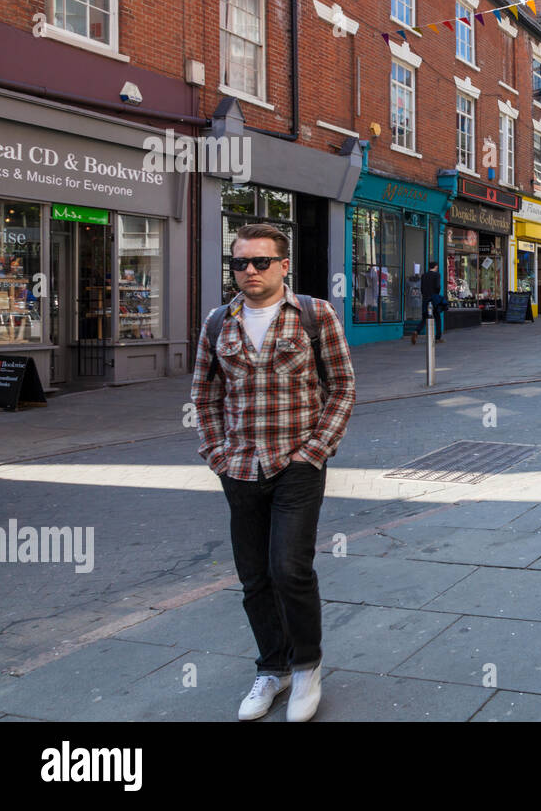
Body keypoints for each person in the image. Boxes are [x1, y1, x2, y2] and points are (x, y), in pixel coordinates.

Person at [191, 223, 355, 722]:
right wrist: (216, 453)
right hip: (239, 467)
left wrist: (315, 450)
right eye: (240, 263)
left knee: (290, 567)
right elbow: (204, 395)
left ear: (284, 265)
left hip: (297, 463)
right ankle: (273, 667)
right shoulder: (219, 322)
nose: (250, 271)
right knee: (254, 576)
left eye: (261, 262)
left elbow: (342, 386)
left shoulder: (314, 314)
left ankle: (307, 666)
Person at [409, 262, 444, 345]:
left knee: (425, 317)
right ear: (435, 267)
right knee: (437, 317)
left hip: (425, 299)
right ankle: (438, 337)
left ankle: (416, 331)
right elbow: (438, 286)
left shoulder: (424, 275)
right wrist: (436, 294)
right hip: (434, 299)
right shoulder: (437, 275)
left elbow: (421, 288)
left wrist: (425, 295)